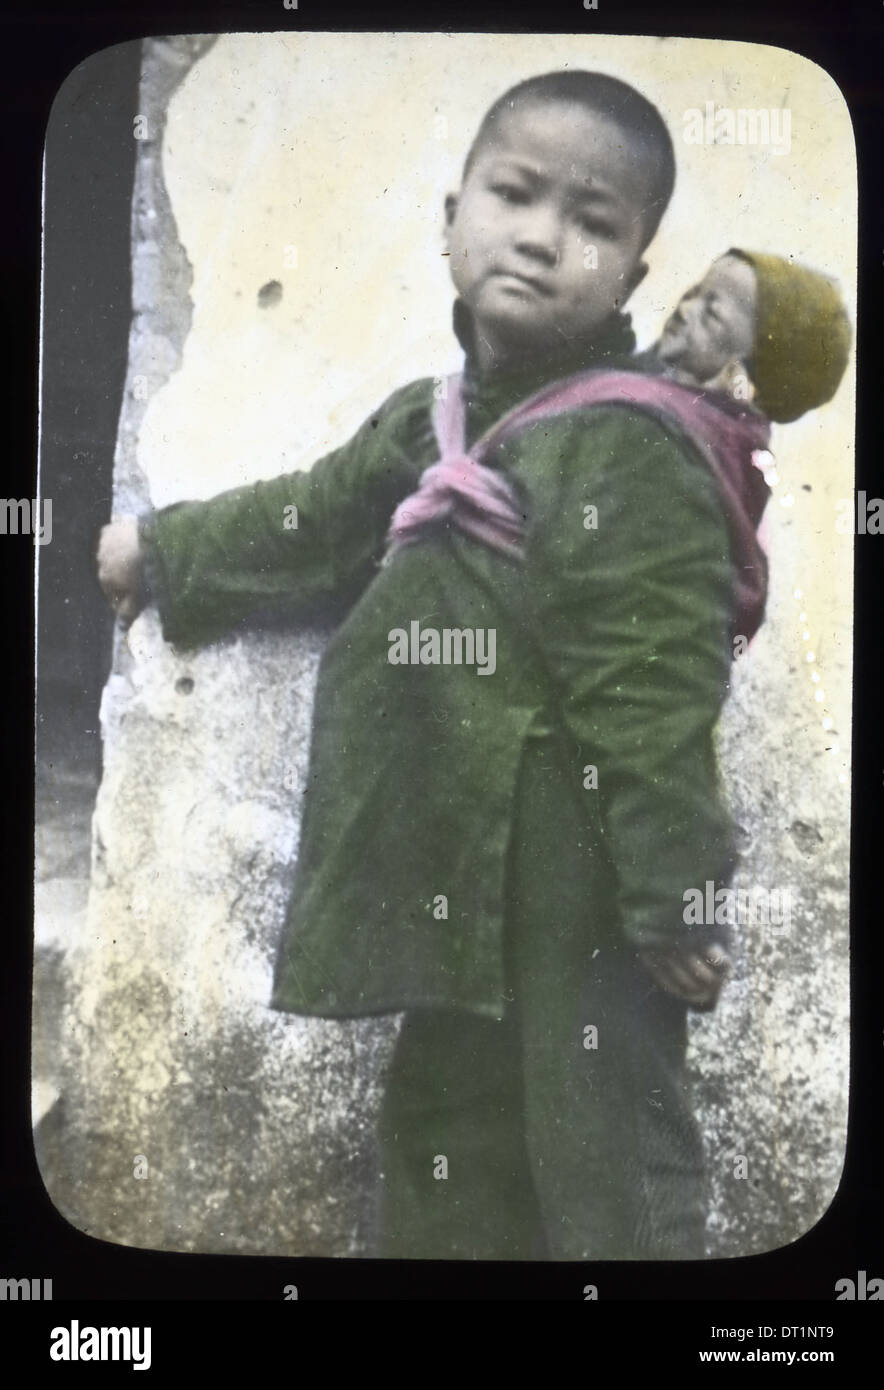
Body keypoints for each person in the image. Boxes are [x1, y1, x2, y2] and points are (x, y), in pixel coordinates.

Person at [96, 71, 850, 1261]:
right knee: (448, 1124)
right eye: (514, 195)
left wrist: (672, 890)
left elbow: (651, 686)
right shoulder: (434, 417)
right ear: (453, 217)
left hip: (578, 868)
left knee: (602, 1139)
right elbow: (318, 517)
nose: (544, 238)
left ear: (634, 275)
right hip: (454, 849)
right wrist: (161, 546)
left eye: (592, 223)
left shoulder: (628, 442)